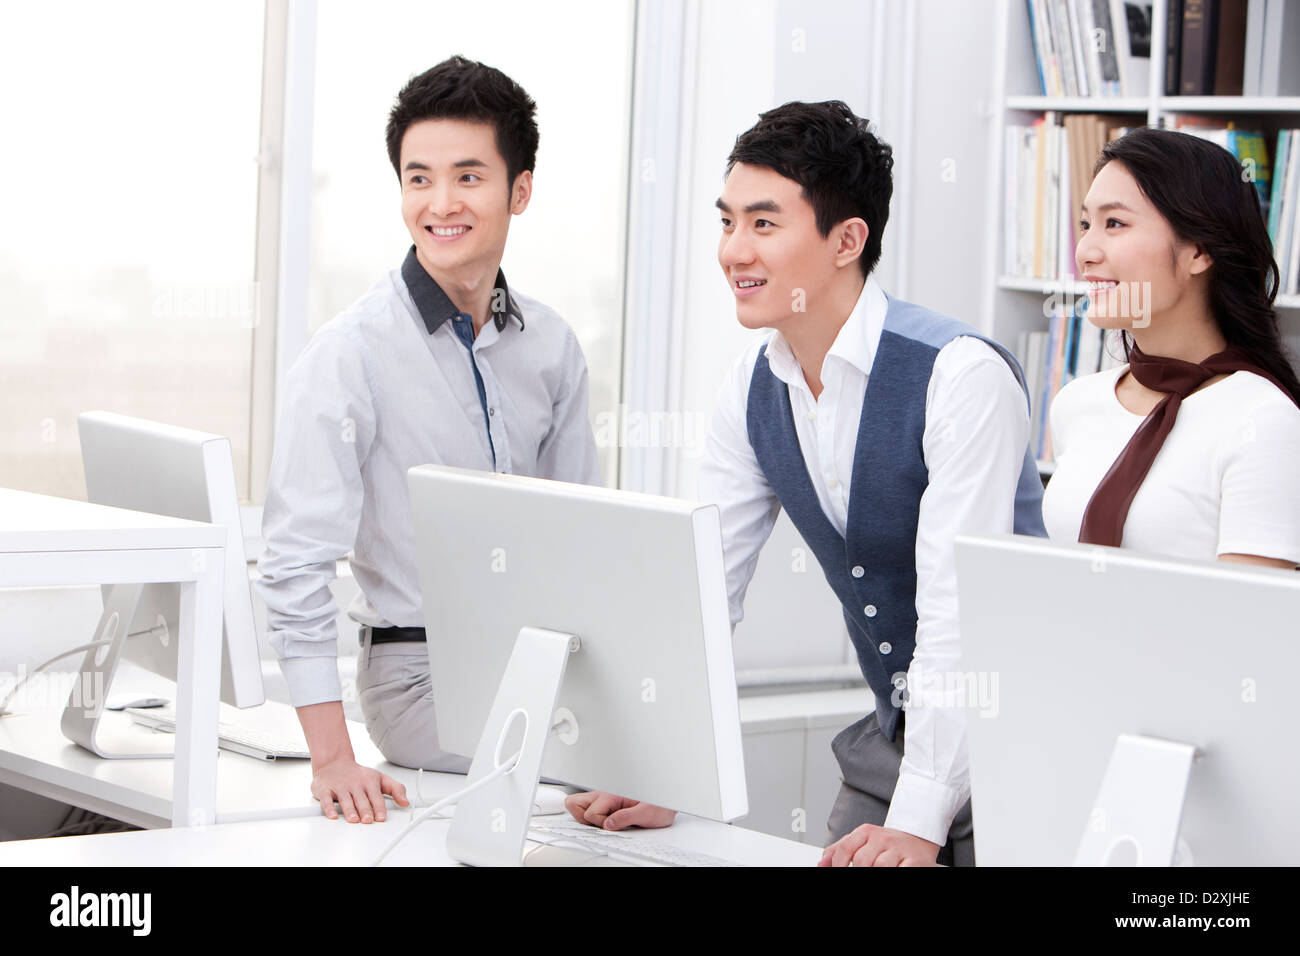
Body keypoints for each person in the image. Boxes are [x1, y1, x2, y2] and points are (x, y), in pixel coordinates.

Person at [565, 101, 1046, 866]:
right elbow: (703, 586)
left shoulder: (960, 376)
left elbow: (962, 615)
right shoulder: (752, 387)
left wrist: (920, 823)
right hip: (895, 744)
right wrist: (664, 769)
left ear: (846, 240)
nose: (732, 250)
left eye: (763, 224)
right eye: (726, 222)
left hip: (1027, 750)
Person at [257, 56, 600, 825]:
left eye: (468, 178)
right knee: (604, 772)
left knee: (654, 771)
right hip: (416, 675)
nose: (440, 203)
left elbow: (586, 539)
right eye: (419, 179)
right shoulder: (350, 353)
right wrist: (332, 758)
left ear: (520, 190)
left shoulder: (552, 347)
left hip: (542, 667)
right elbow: (292, 565)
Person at [1043, 127, 1300, 569]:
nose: (1084, 250)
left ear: (1198, 250)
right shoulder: (1077, 403)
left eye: (1115, 223)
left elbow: (1251, 628)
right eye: (1086, 224)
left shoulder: (1264, 420)